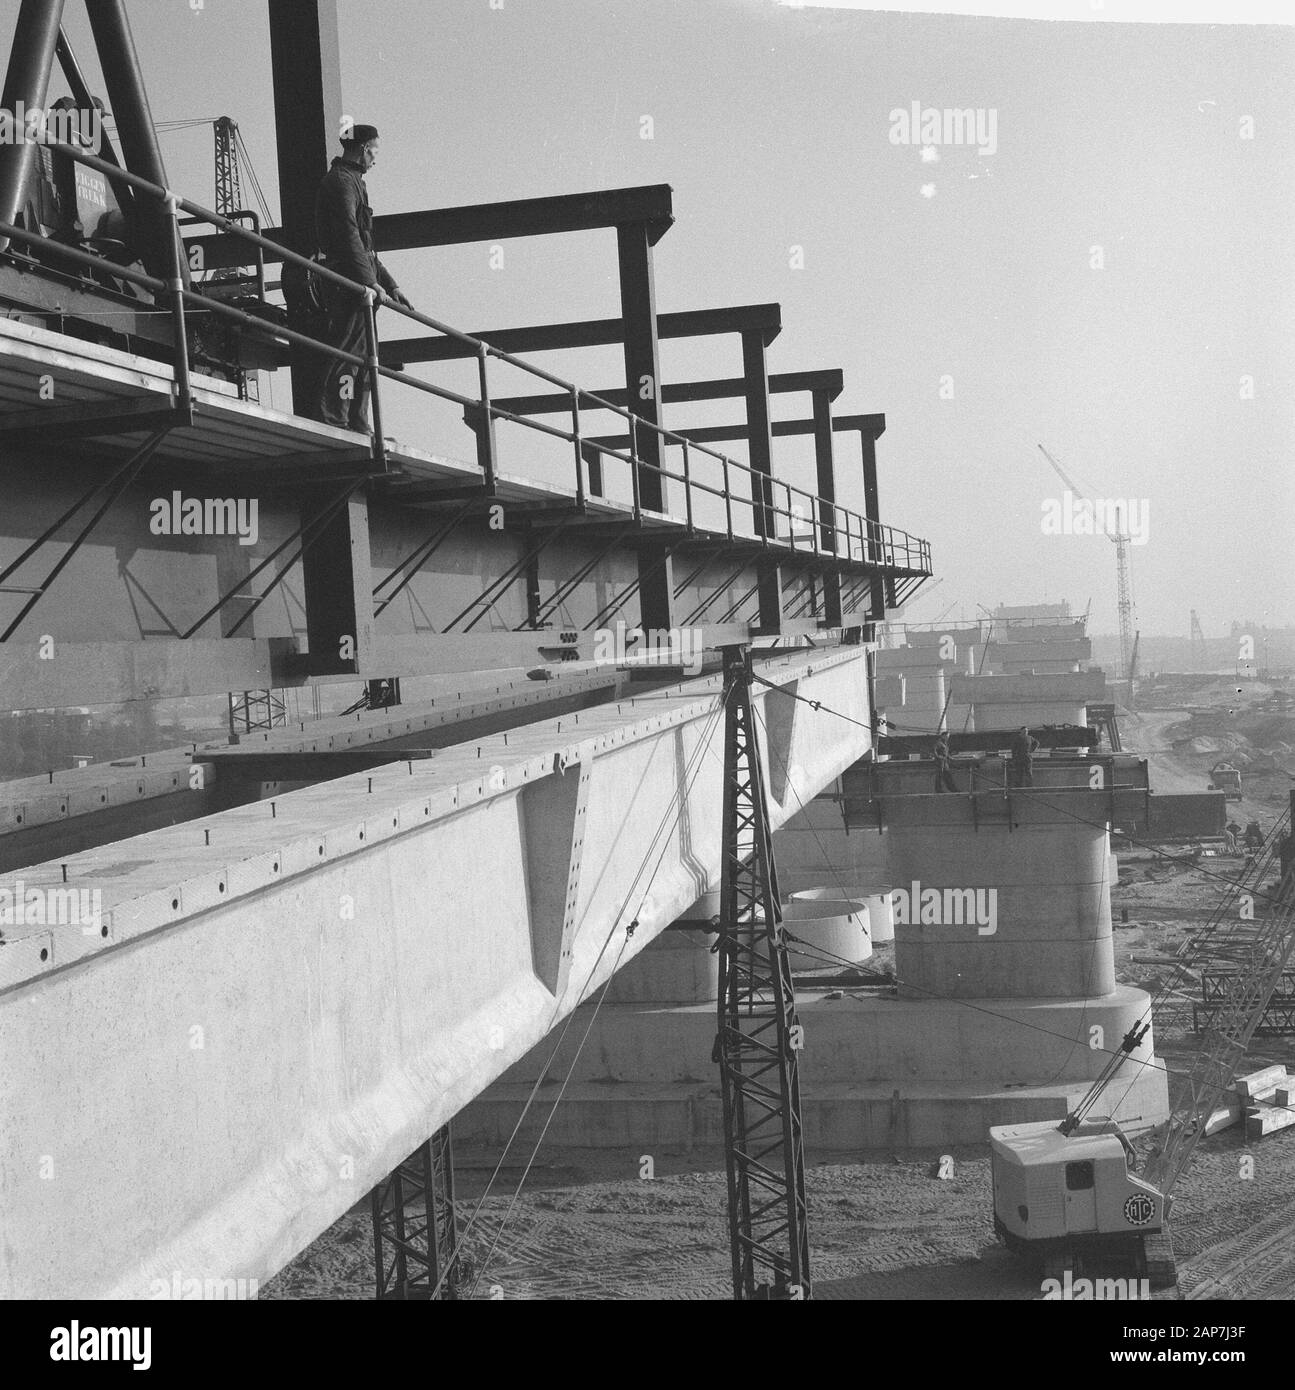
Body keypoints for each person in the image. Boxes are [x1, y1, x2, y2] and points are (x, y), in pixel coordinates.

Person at [313, 123, 413, 430]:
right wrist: (370, 282)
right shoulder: (342, 182)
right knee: (349, 351)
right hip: (346, 281)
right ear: (362, 149)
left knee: (366, 356)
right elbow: (348, 235)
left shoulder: (352, 181)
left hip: (357, 279)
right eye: (375, 151)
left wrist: (388, 283)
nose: (376, 158)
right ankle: (336, 419)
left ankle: (357, 419)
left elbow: (365, 246)